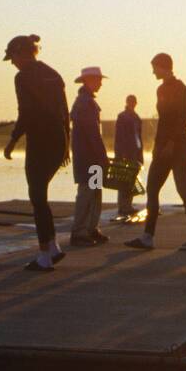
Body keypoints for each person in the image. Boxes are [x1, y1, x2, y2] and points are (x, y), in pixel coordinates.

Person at [3, 34, 70, 271]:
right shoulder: (54, 74)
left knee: (37, 197)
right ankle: (52, 247)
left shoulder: (22, 77)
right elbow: (65, 113)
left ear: (22, 53)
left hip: (40, 141)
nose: (12, 62)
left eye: (12, 57)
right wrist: (67, 144)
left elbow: (26, 113)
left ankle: (45, 255)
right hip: (58, 140)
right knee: (40, 196)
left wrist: (12, 140)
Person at [125, 53, 186, 251]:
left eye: (155, 68)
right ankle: (148, 237)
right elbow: (164, 121)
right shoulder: (160, 89)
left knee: (184, 191)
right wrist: (157, 145)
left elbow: (182, 119)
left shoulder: (181, 89)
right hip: (163, 146)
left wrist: (171, 144)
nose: (153, 72)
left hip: (180, 146)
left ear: (164, 67)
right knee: (152, 188)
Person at [69, 67, 110, 247]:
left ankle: (91, 228)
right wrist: (102, 156)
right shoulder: (85, 103)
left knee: (95, 192)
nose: (100, 83)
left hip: (90, 157)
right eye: (98, 80)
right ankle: (79, 231)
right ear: (89, 80)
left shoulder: (86, 101)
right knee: (87, 192)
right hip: (88, 157)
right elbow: (93, 134)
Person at [114, 94, 143, 217]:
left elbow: (139, 137)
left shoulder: (136, 117)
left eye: (134, 102)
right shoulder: (123, 117)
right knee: (124, 179)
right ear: (128, 102)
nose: (132, 103)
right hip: (126, 151)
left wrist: (140, 154)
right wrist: (119, 153)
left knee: (131, 179)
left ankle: (128, 205)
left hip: (135, 151)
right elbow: (119, 136)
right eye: (131, 101)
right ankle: (123, 206)